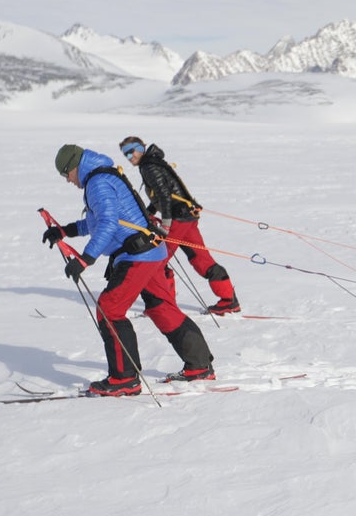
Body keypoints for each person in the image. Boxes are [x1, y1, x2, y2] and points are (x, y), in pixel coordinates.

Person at [44, 143, 217, 394]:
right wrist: (64, 231)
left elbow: (108, 223)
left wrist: (85, 259)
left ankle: (124, 378)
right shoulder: (102, 175)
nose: (67, 181)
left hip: (137, 255)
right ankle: (199, 366)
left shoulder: (98, 182)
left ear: (74, 167)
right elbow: (95, 222)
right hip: (149, 251)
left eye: (65, 174)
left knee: (109, 308)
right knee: (161, 308)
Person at [119, 135, 241, 316]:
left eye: (131, 152)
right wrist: (148, 213)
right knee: (201, 259)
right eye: (125, 155)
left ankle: (164, 305)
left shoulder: (149, 166)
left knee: (157, 260)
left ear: (141, 147)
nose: (130, 158)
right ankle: (229, 300)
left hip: (177, 218)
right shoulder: (154, 162)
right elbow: (160, 195)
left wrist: (166, 224)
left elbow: (164, 196)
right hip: (187, 216)